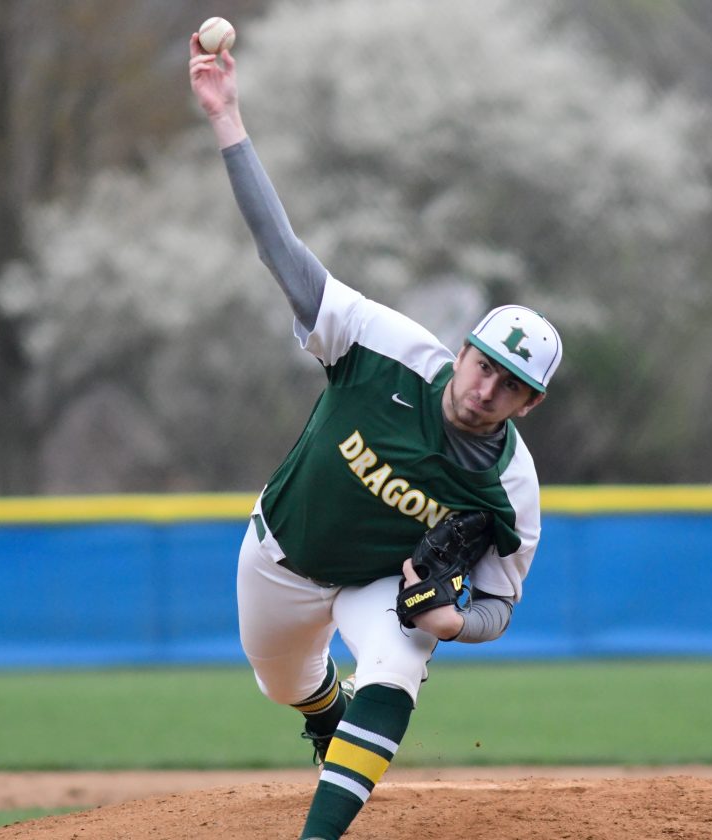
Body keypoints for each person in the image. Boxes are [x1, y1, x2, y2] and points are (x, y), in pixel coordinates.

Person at [188, 31, 562, 840]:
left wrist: (452, 623)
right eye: (485, 364)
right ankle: (324, 713)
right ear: (462, 348)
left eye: (512, 386)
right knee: (282, 683)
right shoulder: (378, 345)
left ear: (527, 406)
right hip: (280, 556)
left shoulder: (513, 487)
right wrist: (227, 119)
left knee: (398, 662)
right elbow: (279, 252)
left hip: (376, 587)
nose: (487, 387)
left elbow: (498, 606)